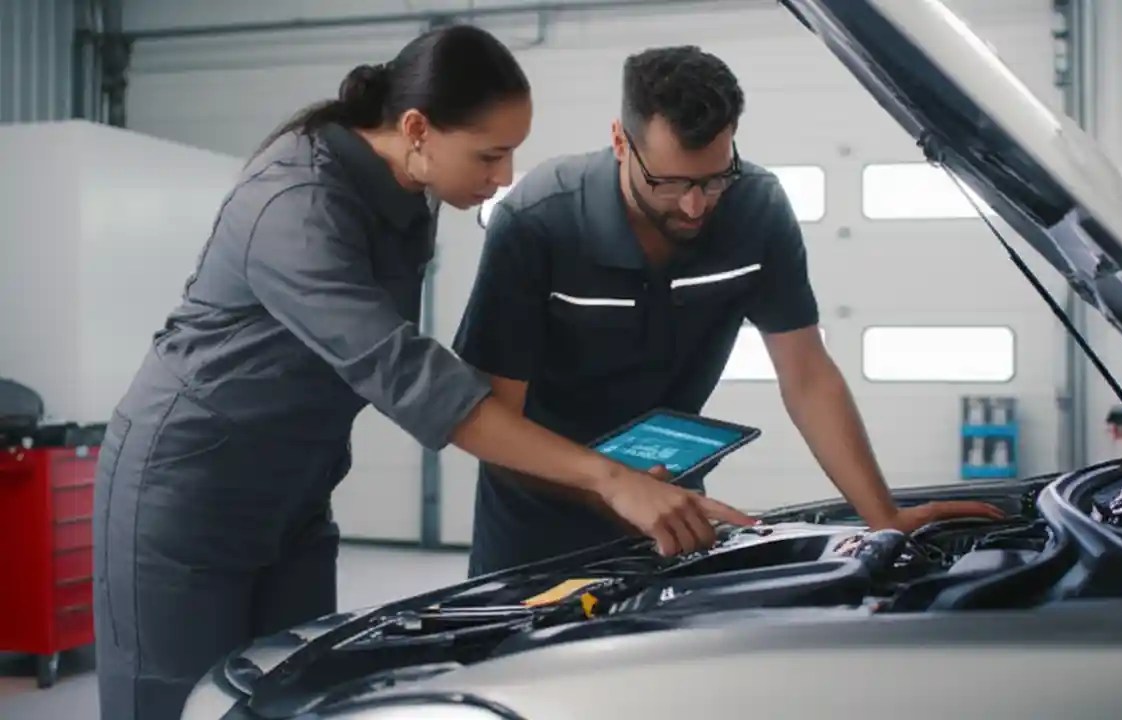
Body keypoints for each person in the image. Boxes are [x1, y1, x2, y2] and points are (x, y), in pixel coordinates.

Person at [91, 28, 753, 720]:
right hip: (188, 489)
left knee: (292, 702)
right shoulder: (295, 204)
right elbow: (409, 376)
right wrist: (608, 477)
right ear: (416, 129)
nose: (505, 176)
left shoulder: (409, 191)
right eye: (490, 155)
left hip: (295, 497)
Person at [453, 45, 1005, 578]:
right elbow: (496, 422)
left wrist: (883, 517)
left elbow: (807, 375)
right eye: (668, 183)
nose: (694, 205)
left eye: (714, 178)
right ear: (620, 141)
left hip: (674, 512)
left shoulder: (756, 209)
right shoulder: (538, 222)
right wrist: (617, 488)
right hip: (534, 528)